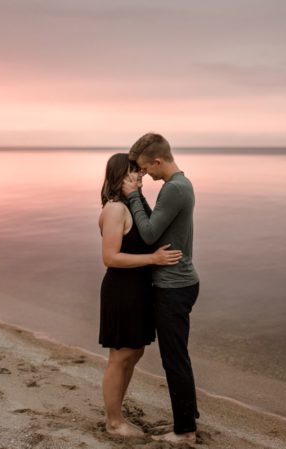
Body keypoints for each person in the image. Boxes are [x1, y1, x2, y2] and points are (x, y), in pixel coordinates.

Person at [122, 133, 200, 444]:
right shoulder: (177, 185)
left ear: (158, 160)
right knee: (177, 355)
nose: (144, 174)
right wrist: (139, 197)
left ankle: (185, 432)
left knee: (174, 359)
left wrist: (132, 196)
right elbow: (157, 223)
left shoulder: (176, 189)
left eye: (144, 168)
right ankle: (188, 416)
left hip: (174, 286)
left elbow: (150, 233)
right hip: (178, 283)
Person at [98, 153, 183, 437]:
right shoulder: (114, 210)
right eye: (134, 172)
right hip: (121, 291)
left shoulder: (130, 206)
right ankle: (113, 422)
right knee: (119, 357)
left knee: (134, 352)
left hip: (140, 289)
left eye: (141, 171)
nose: (141, 176)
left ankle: (117, 412)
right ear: (120, 175)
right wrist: (153, 260)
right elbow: (110, 258)